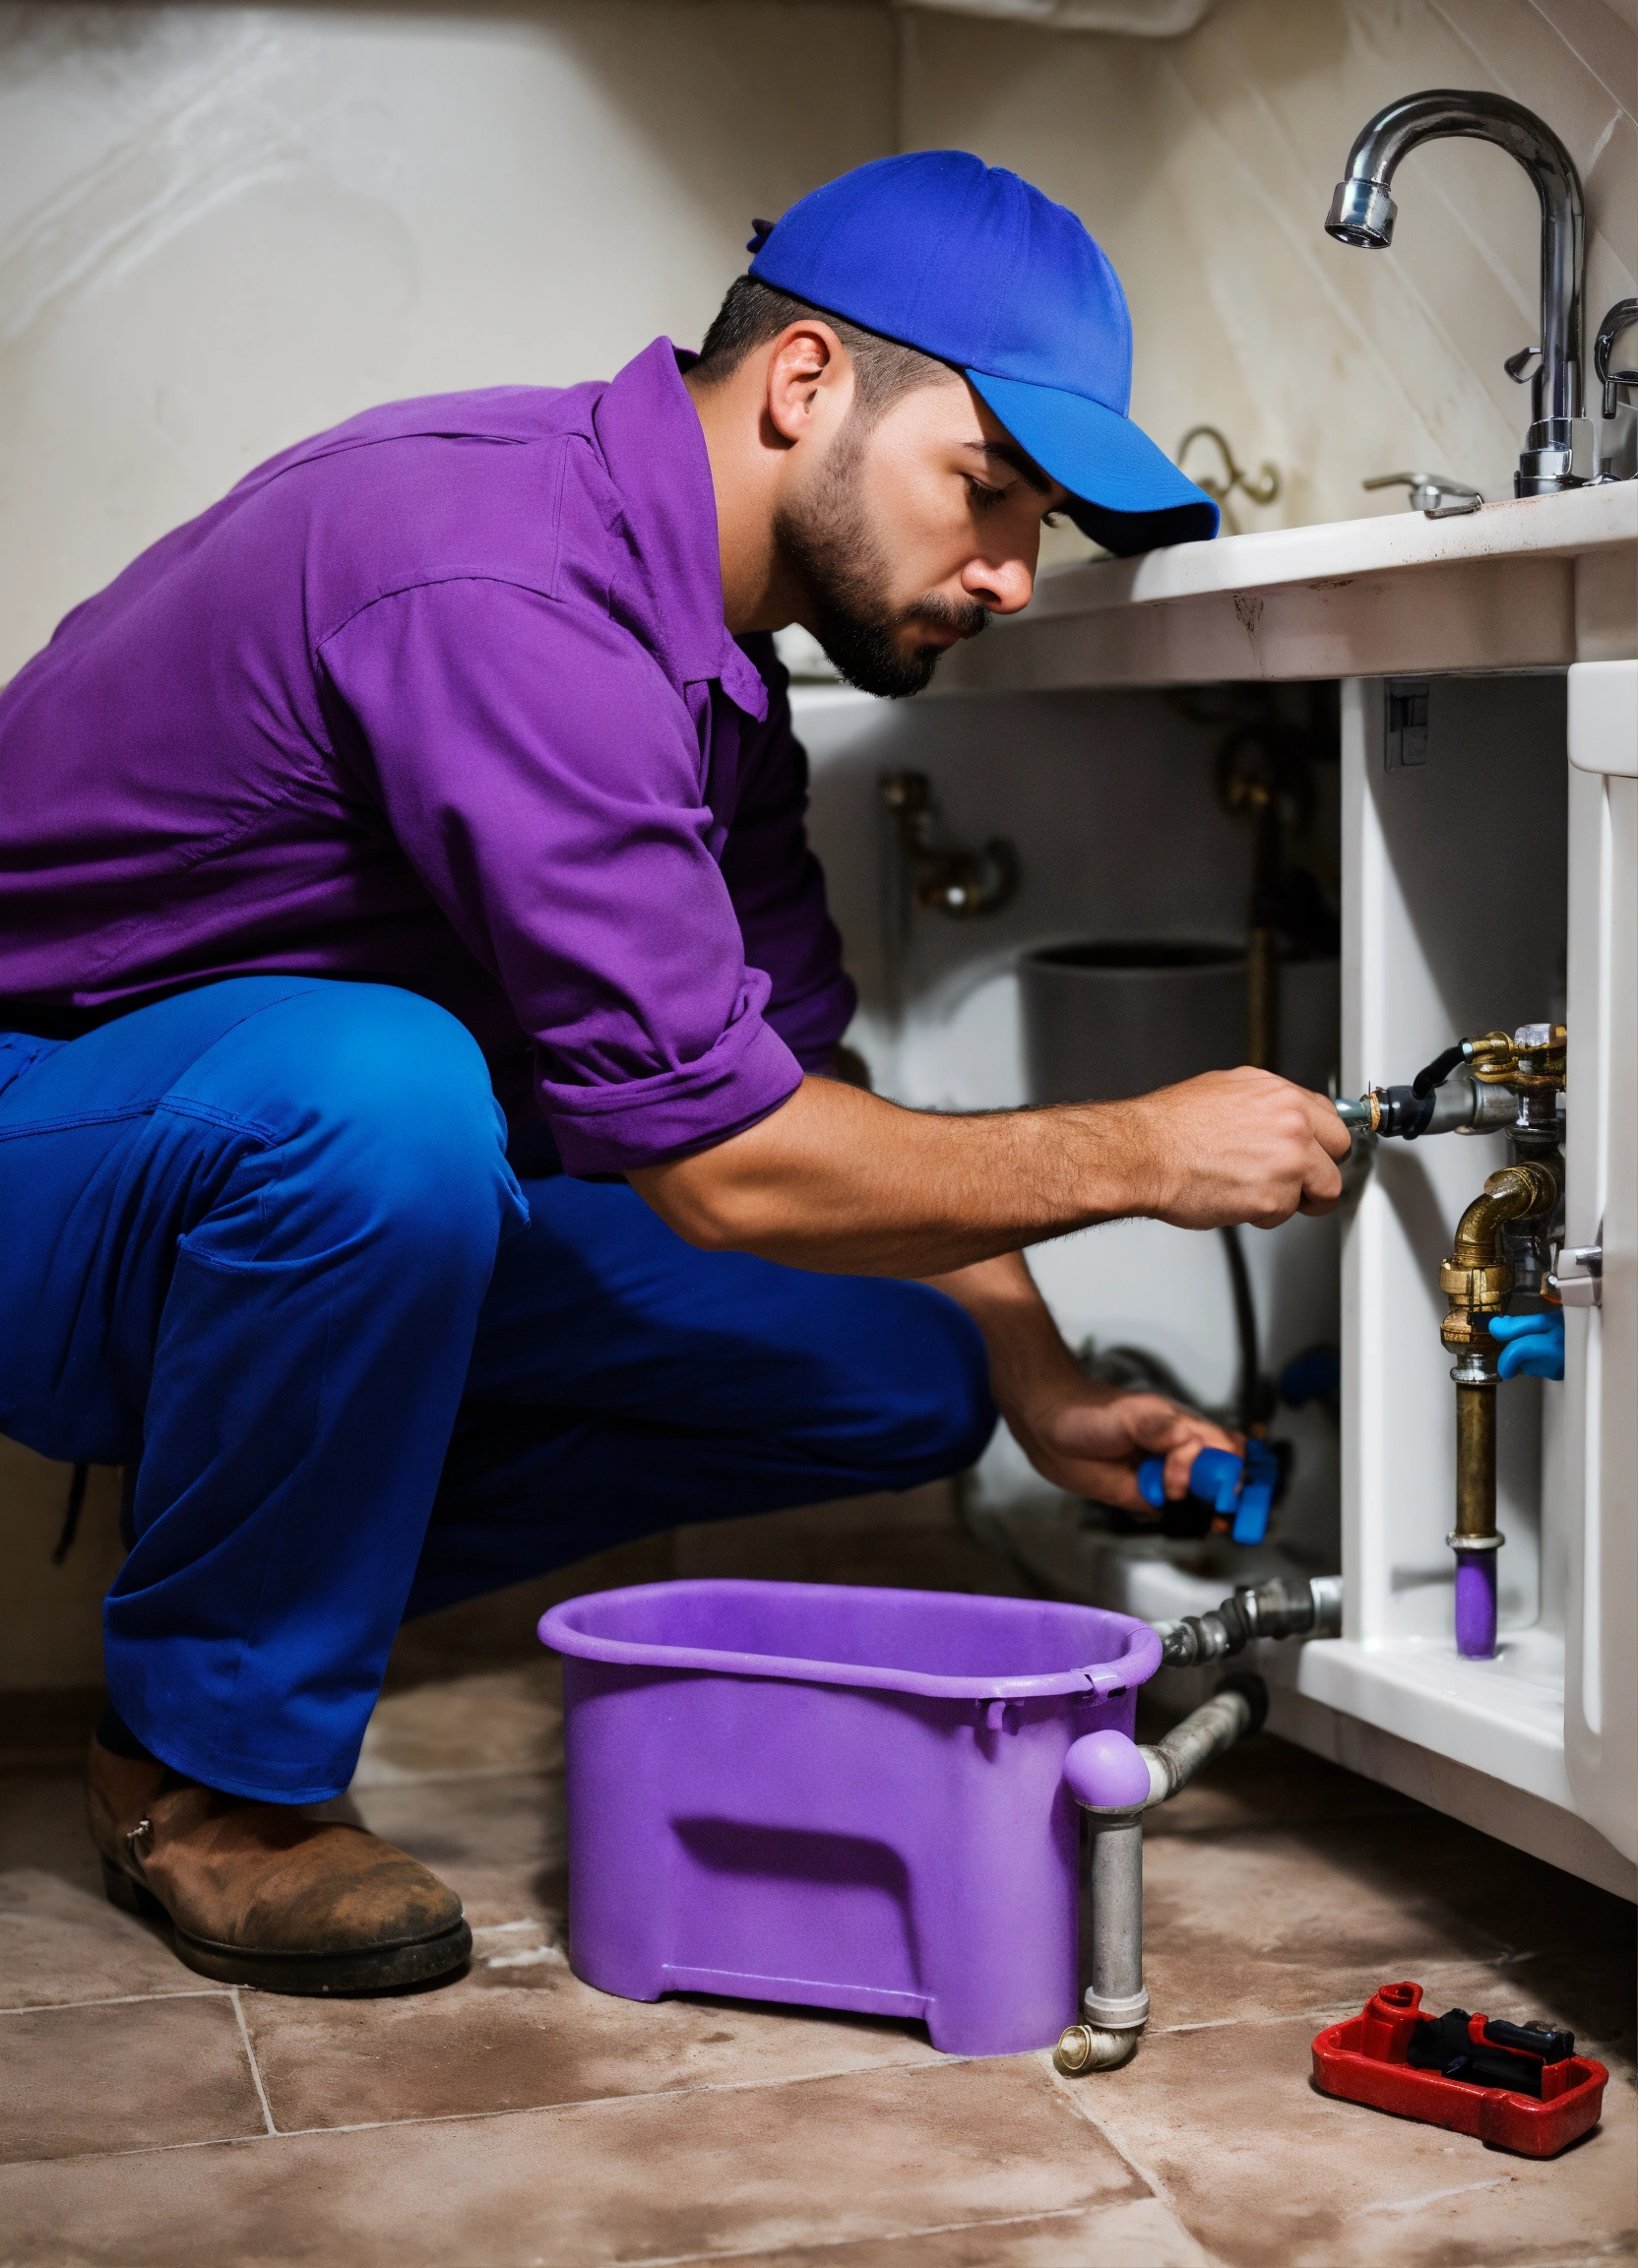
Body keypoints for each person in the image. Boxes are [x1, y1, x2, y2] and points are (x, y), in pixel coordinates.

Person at [0, 152, 1348, 1994]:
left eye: (1039, 523)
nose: (1016, 575)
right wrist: (1141, 1149)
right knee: (384, 1092)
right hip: (45, 1137)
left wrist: (1035, 1374)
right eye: (989, 490)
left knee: (893, 1372)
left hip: (245, 1171)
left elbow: (795, 1076)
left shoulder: (713, 670)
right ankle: (205, 1769)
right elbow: (729, 1171)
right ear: (805, 387)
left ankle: (239, 1571)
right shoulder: (498, 568)